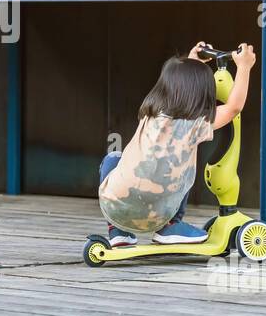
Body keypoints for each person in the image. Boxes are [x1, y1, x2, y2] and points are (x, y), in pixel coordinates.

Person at [98, 43, 256, 246]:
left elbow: (178, 83)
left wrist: (191, 60)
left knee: (113, 159)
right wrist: (244, 68)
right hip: (159, 214)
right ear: (201, 92)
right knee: (181, 166)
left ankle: (118, 232)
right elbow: (234, 108)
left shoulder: (151, 111)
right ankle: (171, 226)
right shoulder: (196, 124)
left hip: (115, 209)